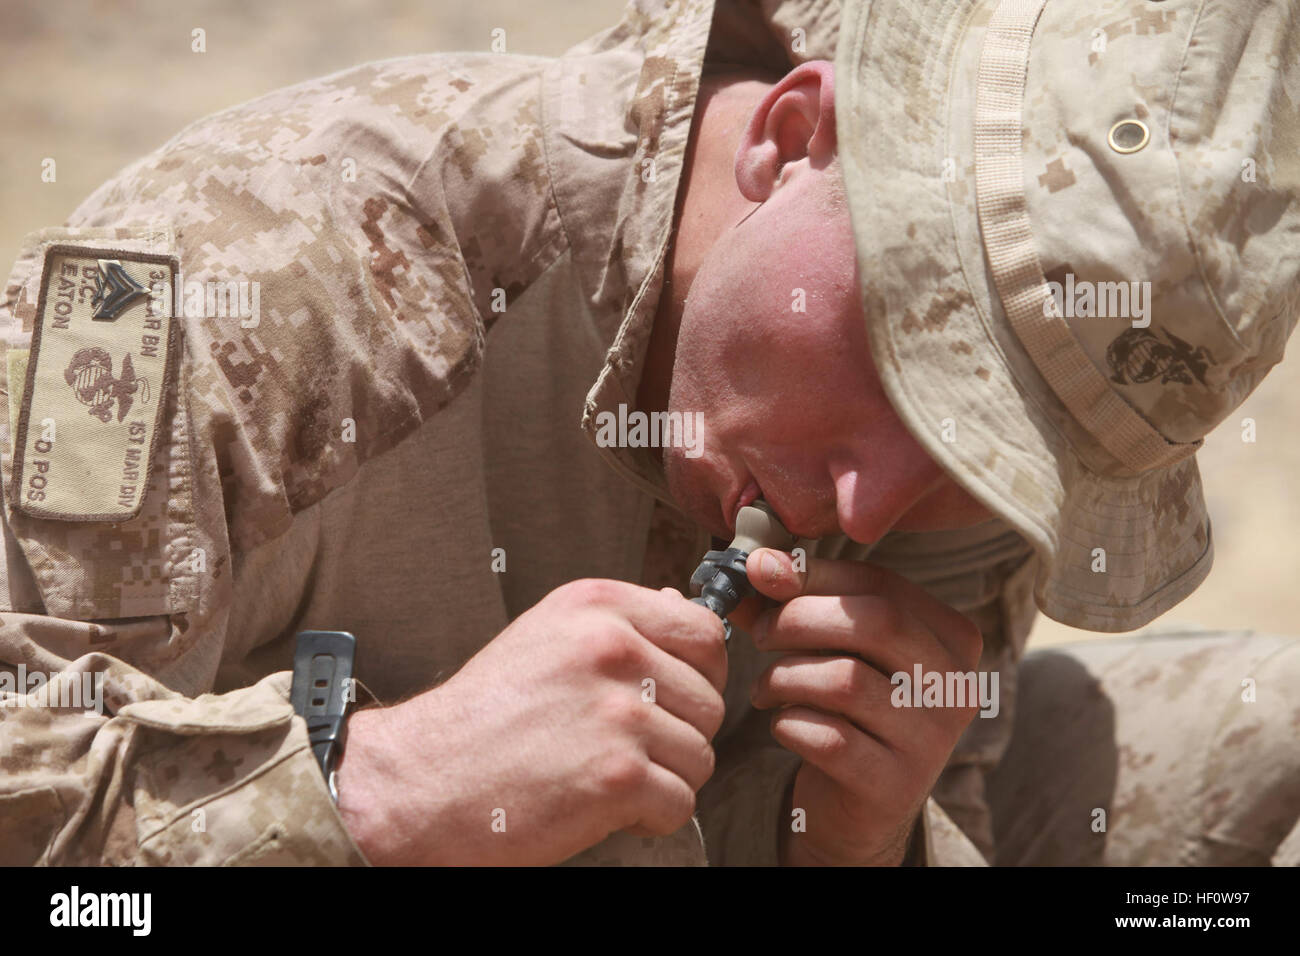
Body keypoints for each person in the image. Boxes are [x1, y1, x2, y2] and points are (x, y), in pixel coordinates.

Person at [0, 0, 1295, 867]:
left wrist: (855, 845)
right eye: (920, 375)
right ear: (792, 140)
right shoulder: (248, 266)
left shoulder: (965, 475)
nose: (878, 503)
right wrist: (376, 788)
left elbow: (958, 793)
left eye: (987, 459)